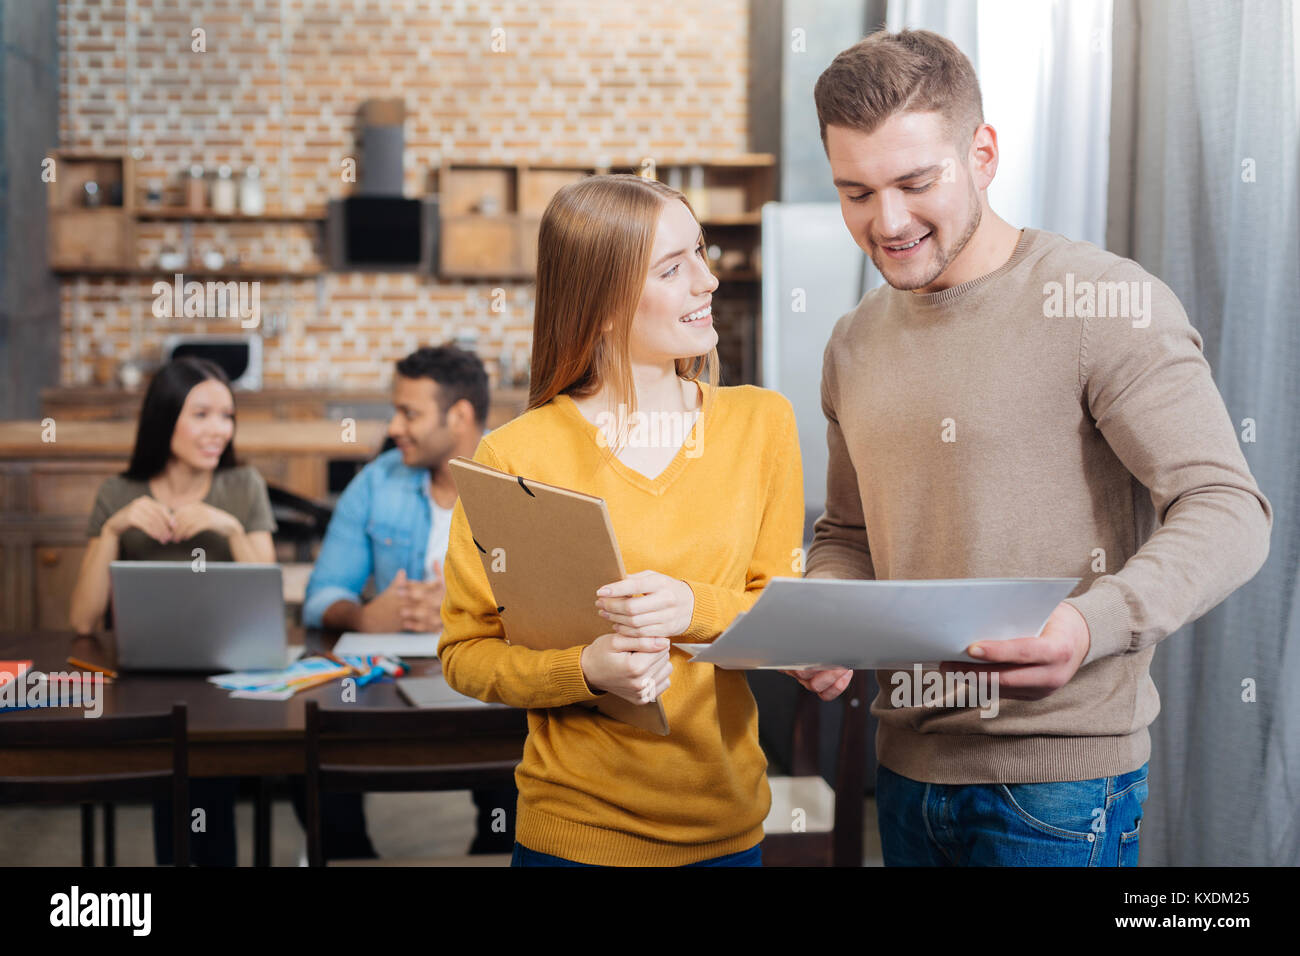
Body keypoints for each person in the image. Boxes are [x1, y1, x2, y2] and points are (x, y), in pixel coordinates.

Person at [794, 29, 1272, 866]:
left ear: (983, 153)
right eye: (857, 192)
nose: (888, 221)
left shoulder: (1103, 303)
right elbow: (848, 534)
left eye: (915, 182)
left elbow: (1229, 509)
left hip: (1059, 789)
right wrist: (826, 616)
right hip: (903, 773)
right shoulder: (853, 340)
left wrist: (1090, 627)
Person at [438, 173, 807, 867]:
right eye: (673, 268)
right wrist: (584, 671)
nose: (708, 282)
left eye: (701, 254)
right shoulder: (515, 455)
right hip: (573, 837)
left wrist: (690, 607)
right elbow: (466, 653)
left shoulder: (761, 425)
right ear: (602, 304)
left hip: (726, 832)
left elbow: (780, 614)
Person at [300, 344, 517, 856]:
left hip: (484, 686)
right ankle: (353, 859)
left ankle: (489, 855)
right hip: (387, 684)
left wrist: (468, 604)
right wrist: (362, 614)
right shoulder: (377, 482)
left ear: (459, 416)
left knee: (518, 771)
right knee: (309, 758)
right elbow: (320, 595)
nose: (395, 427)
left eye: (410, 413)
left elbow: (555, 607)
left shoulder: (517, 485)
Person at [70, 356, 277, 866]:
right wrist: (114, 530)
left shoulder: (241, 486)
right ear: (165, 419)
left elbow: (267, 605)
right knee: (176, 771)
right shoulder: (118, 494)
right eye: (202, 415)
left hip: (226, 679)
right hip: (144, 679)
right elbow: (82, 621)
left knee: (208, 780)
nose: (219, 431)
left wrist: (227, 528)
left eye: (226, 416)